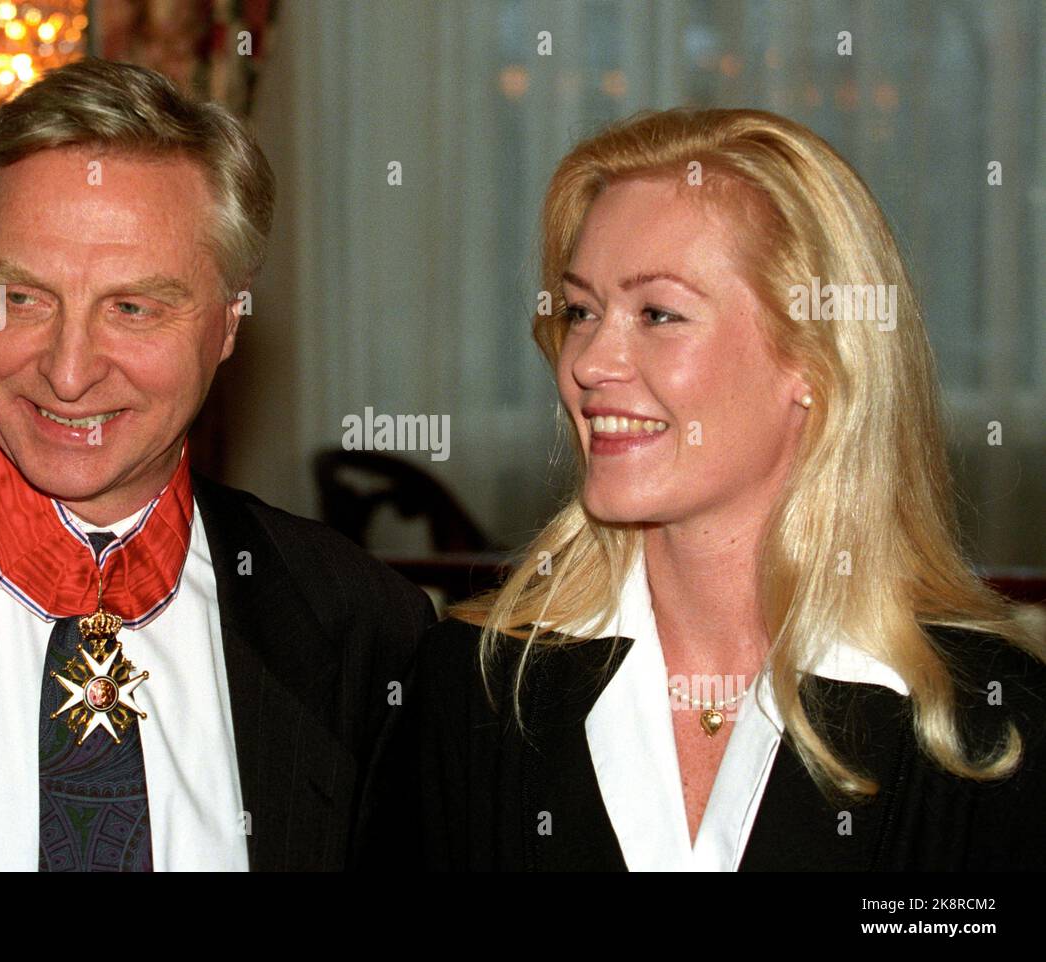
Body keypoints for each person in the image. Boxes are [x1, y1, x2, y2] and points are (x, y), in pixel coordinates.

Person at [0, 58, 433, 871]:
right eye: (22, 298)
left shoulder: (361, 631)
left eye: (133, 308)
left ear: (227, 325)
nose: (68, 372)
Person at [416, 107, 1046, 871]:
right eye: (582, 311)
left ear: (813, 362)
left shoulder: (982, 721)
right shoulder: (476, 686)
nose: (590, 362)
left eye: (658, 313)